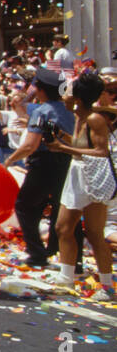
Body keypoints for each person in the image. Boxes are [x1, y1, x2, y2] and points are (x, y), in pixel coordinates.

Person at [47, 72, 115, 294]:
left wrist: (64, 148)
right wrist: (61, 137)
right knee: (62, 227)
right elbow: (81, 143)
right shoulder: (79, 118)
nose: (63, 97)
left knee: (94, 233)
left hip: (92, 176)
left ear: (76, 99)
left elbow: (101, 150)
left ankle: (106, 285)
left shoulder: (95, 119)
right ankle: (66, 278)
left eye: (67, 94)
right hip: (76, 174)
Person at [1, 69, 78, 268]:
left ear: (42, 91)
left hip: (44, 163)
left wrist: (10, 160)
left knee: (25, 206)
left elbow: (30, 145)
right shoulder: (70, 111)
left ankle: (37, 253)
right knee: (60, 208)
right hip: (66, 161)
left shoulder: (41, 111)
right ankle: (60, 252)